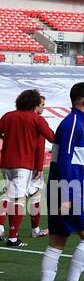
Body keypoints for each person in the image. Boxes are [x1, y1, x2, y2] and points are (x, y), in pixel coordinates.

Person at [37, 81, 84, 281]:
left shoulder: (72, 122)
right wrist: (69, 194)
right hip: (68, 191)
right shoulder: (74, 123)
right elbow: (64, 160)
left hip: (62, 188)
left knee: (57, 242)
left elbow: (71, 162)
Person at [1, 88, 55, 248]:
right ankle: (12, 238)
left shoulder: (8, 116)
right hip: (24, 164)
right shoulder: (36, 119)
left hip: (6, 163)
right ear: (34, 103)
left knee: (7, 196)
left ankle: (3, 230)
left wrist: (8, 137)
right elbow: (52, 137)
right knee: (18, 200)